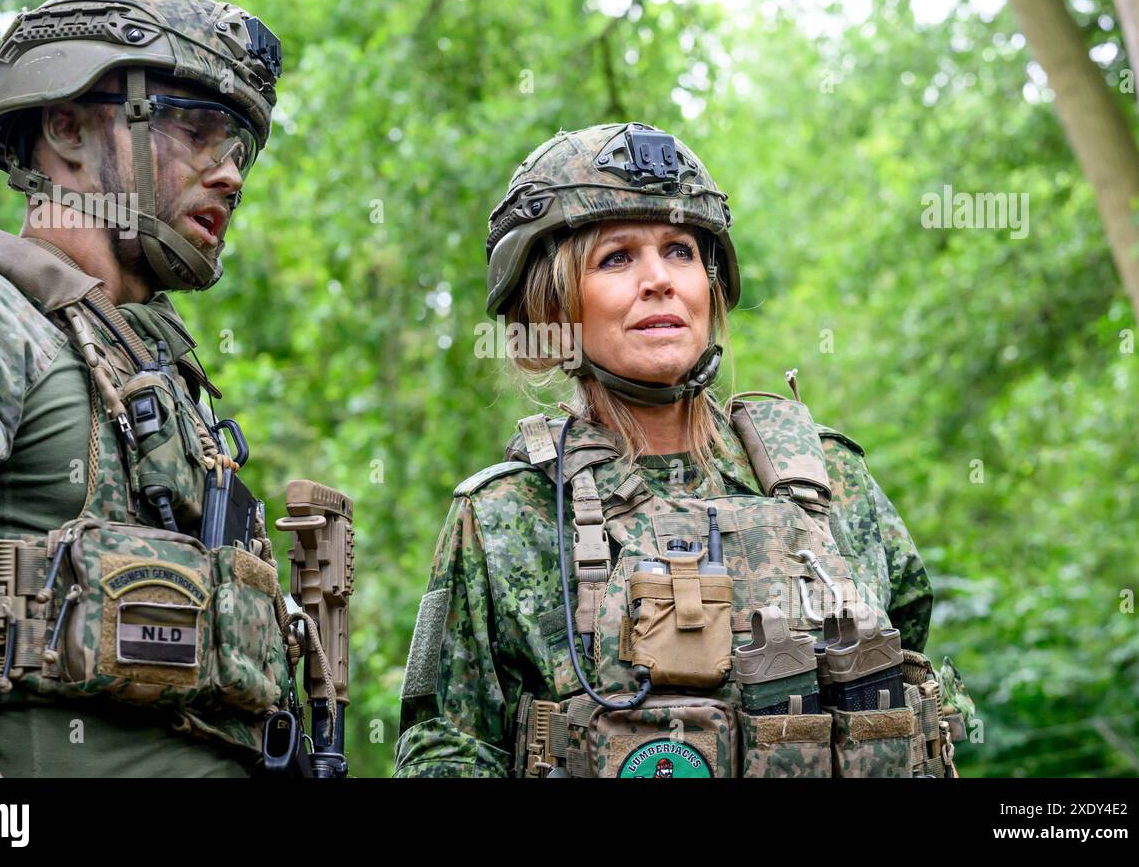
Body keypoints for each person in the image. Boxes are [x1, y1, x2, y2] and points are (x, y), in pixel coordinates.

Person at [395, 121, 974, 778]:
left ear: (711, 283)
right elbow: (445, 747)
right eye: (616, 258)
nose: (658, 280)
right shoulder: (507, 513)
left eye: (679, 251)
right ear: (552, 306)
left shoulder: (828, 479)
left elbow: (913, 695)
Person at [0, 0, 313, 777]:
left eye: (239, 147)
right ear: (69, 128)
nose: (231, 175)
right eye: (197, 127)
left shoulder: (157, 382)